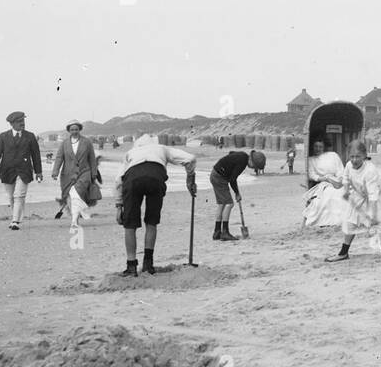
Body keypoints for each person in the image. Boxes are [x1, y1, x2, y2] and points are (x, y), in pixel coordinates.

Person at [111, 134, 197, 277]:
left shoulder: (131, 153)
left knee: (130, 225)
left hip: (132, 179)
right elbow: (190, 159)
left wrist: (119, 206)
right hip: (155, 178)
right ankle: (148, 264)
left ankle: (131, 266)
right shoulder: (162, 148)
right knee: (151, 222)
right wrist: (190, 178)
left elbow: (118, 180)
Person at [325, 139, 381, 262]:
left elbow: (373, 196)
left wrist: (372, 216)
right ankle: (343, 253)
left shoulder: (370, 171)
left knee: (380, 222)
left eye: (358, 157)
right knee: (350, 220)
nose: (354, 160)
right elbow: (346, 178)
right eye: (351, 156)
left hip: (380, 194)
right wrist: (347, 191)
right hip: (361, 193)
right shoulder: (348, 165)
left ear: (364, 156)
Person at [0, 111, 43, 230]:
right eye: (19, 122)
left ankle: (15, 221)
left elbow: (36, 155)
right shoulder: (3, 136)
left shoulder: (30, 136)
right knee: (11, 197)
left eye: (23, 121)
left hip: (24, 170)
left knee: (19, 195)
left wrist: (38, 172)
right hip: (7, 171)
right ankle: (18, 217)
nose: (22, 123)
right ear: (12, 124)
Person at [51, 119, 101, 226]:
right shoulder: (64, 143)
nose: (74, 131)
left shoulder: (86, 142)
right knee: (70, 197)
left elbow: (92, 158)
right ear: (69, 130)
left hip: (84, 172)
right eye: (72, 129)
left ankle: (77, 217)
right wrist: (55, 171)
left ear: (80, 130)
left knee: (76, 194)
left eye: (76, 129)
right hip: (67, 175)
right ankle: (75, 219)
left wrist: (94, 173)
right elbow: (59, 157)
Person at [301, 138, 350, 229]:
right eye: (316, 146)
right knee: (329, 194)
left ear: (324, 147)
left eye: (320, 147)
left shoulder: (333, 155)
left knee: (344, 193)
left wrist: (339, 179)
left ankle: (343, 220)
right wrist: (324, 178)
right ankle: (327, 221)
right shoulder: (311, 159)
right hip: (324, 183)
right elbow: (312, 175)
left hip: (337, 180)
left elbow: (340, 170)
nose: (318, 149)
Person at [210, 149, 249, 241]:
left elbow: (231, 153)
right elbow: (232, 179)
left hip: (214, 174)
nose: (250, 167)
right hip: (220, 177)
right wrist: (237, 193)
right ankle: (225, 232)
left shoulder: (242, 155)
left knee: (221, 204)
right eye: (253, 165)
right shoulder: (243, 162)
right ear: (251, 161)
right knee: (229, 204)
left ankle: (217, 232)